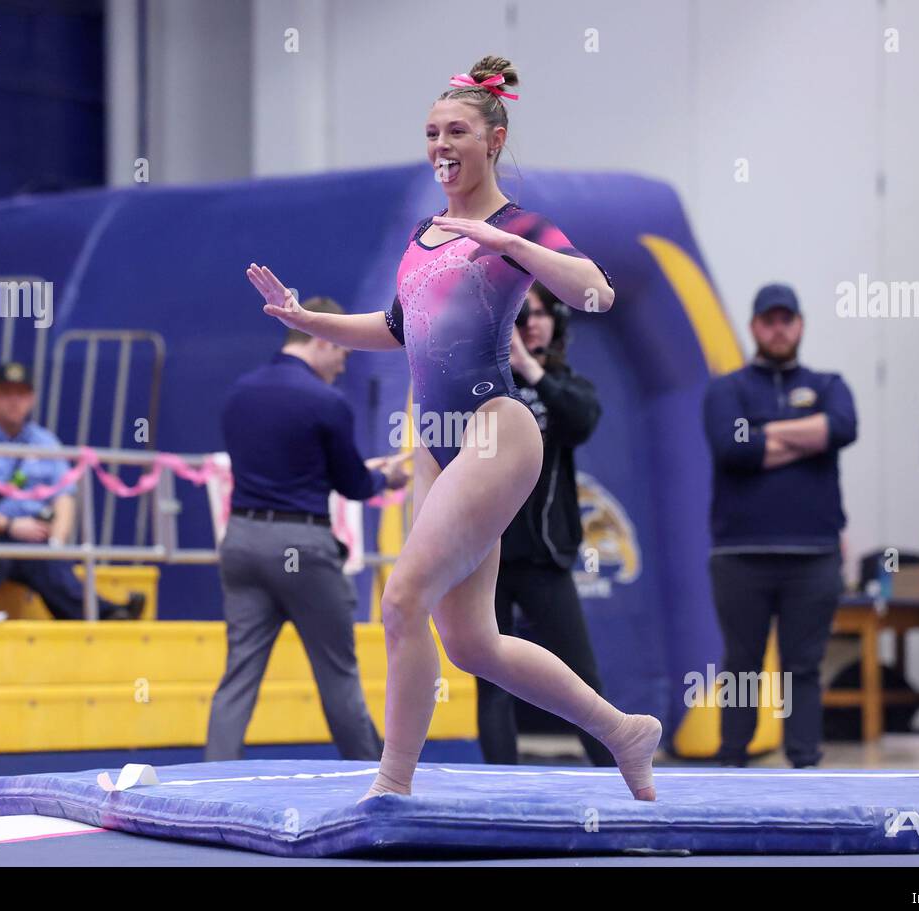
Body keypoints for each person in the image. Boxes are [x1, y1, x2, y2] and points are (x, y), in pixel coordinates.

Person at [246, 56, 664, 802]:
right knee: (472, 643)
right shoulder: (424, 232)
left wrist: (514, 250)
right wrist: (308, 320)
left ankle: (392, 784)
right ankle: (623, 730)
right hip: (439, 444)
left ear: (494, 140)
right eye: (432, 131)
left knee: (400, 599)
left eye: (458, 131)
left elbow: (594, 290)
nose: (441, 143)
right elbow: (396, 327)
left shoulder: (520, 226)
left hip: (498, 431)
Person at [205, 299, 410, 762]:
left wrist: (357, 471)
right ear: (321, 337)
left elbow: (286, 467)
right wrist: (385, 477)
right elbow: (352, 485)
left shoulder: (240, 392)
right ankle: (374, 783)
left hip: (240, 540)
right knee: (337, 673)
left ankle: (209, 780)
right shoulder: (327, 401)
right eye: (343, 352)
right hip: (302, 547)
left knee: (238, 675)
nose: (342, 364)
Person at [701, 283, 858, 769]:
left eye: (786, 319)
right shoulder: (726, 389)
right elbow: (732, 447)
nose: (778, 328)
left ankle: (806, 765)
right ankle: (732, 764)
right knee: (742, 666)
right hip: (739, 555)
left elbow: (842, 428)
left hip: (814, 554)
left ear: (800, 324)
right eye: (768, 320)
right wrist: (807, 434)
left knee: (804, 668)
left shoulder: (830, 384)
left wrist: (765, 432)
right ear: (754, 327)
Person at [476, 282, 614, 767]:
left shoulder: (565, 384)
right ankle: (501, 790)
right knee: (491, 680)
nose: (531, 324)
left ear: (557, 323)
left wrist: (531, 368)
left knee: (580, 674)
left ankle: (619, 775)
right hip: (486, 554)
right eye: (520, 317)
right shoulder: (485, 384)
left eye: (540, 315)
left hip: (543, 555)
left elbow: (582, 420)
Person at [0, 361, 144, 620]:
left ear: (32, 399)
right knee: (3, 558)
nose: (14, 401)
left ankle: (101, 615)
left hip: (33, 537)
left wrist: (56, 541)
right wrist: (9, 526)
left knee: (44, 557)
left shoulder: (45, 441)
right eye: (7, 394)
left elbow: (64, 496)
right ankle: (102, 613)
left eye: (21, 394)